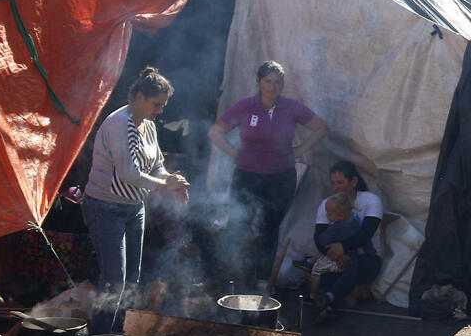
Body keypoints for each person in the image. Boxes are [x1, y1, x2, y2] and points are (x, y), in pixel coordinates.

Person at [211, 61, 330, 288]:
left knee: (269, 228)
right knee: (238, 225)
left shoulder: (292, 108)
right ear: (258, 82)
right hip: (246, 177)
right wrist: (235, 153)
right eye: (268, 81)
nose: (273, 86)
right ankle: (226, 276)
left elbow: (322, 128)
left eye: (277, 82)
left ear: (283, 84)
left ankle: (263, 280)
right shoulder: (246, 107)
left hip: (280, 178)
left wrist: (299, 151)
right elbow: (215, 132)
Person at [83, 67, 190, 313]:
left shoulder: (149, 125)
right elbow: (128, 173)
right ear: (139, 97)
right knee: (114, 282)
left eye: (163, 105)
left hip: (134, 208)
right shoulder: (119, 124)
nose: (160, 111)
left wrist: (172, 180)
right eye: (156, 104)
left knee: (132, 280)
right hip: (105, 208)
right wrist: (165, 185)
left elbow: (157, 166)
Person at [312, 161, 383, 320]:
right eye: (332, 183)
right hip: (335, 256)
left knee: (354, 266)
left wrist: (343, 247)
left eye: (340, 182)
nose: (336, 187)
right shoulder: (328, 204)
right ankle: (326, 306)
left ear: (354, 182)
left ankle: (328, 299)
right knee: (327, 272)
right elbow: (319, 238)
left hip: (366, 257)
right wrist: (333, 254)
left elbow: (366, 234)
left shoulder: (371, 200)